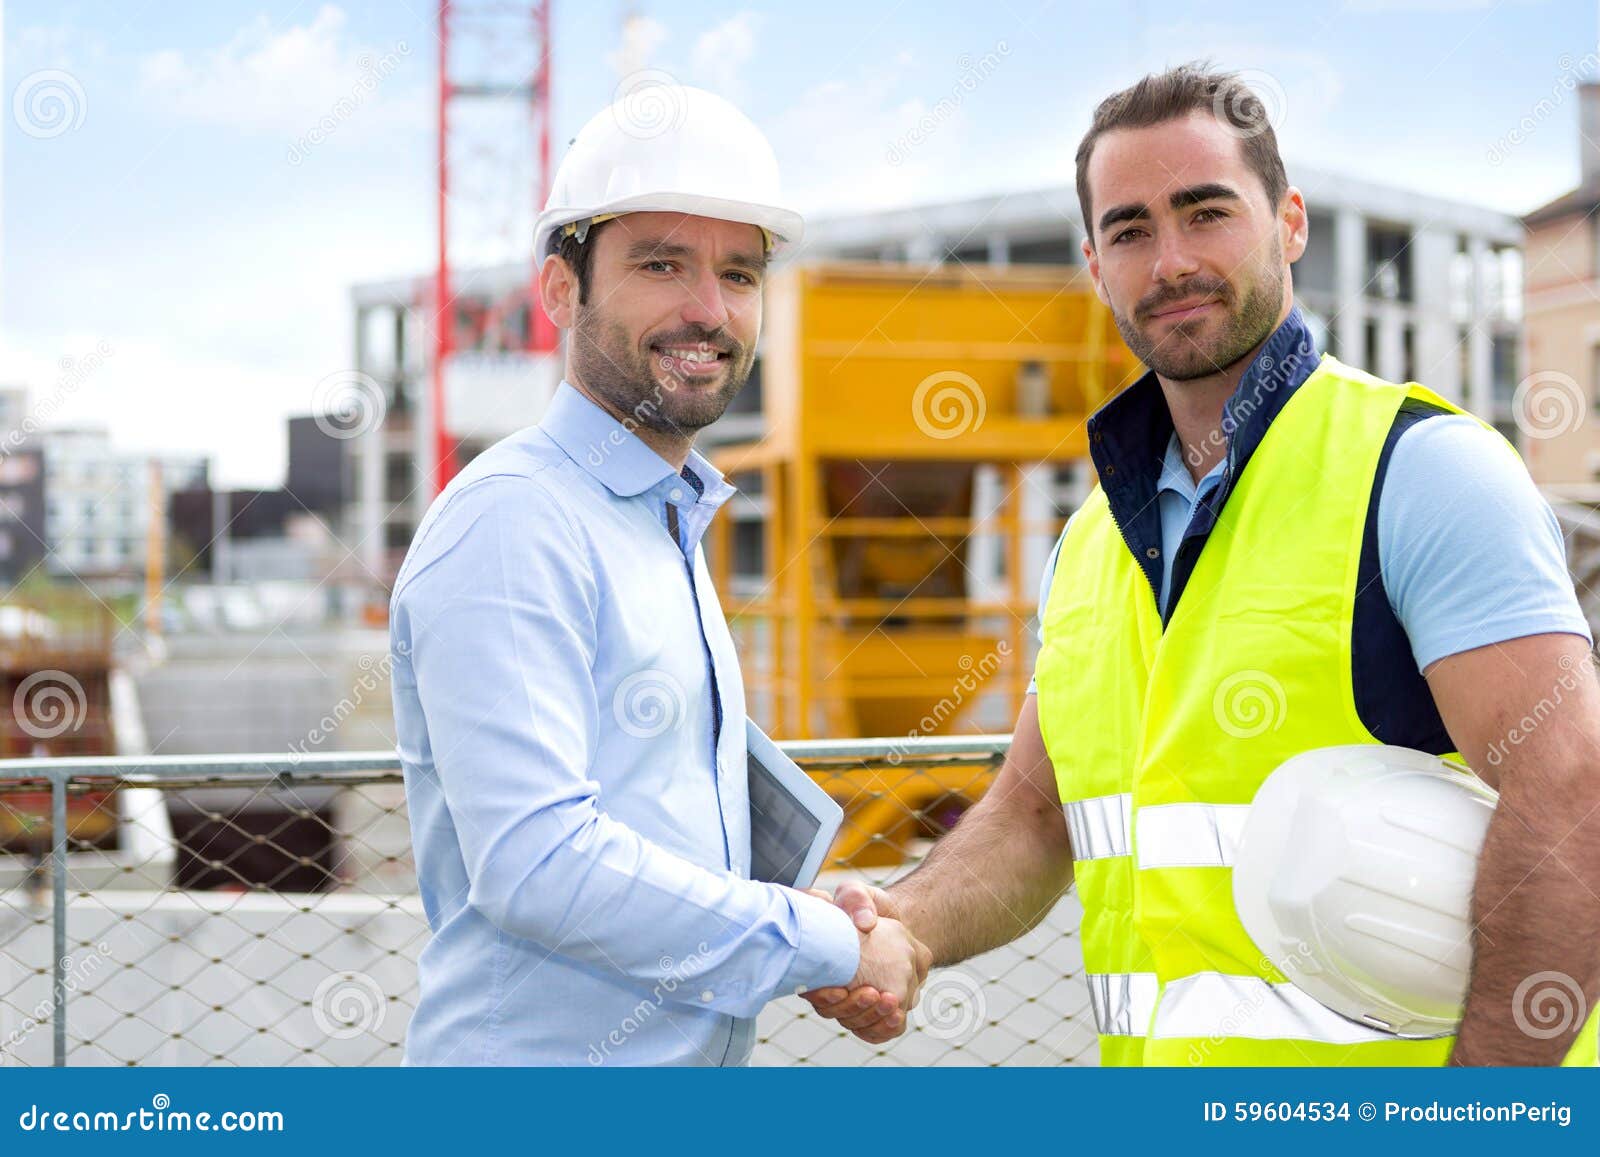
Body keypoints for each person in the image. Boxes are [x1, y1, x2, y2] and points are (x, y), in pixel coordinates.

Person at [803, 62, 1600, 1066]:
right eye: (1131, 230)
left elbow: (1572, 794)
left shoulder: (1420, 470)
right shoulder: (1090, 541)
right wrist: (909, 925)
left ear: (1289, 223)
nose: (1170, 260)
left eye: (1206, 212)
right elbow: (1035, 809)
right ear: (1095, 264)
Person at [390, 83, 929, 1066]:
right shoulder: (514, 519)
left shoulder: (660, 522)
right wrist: (824, 940)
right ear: (561, 289)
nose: (707, 310)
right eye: (661, 264)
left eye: (738, 272)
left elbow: (652, 823)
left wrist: (800, 915)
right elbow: (539, 864)